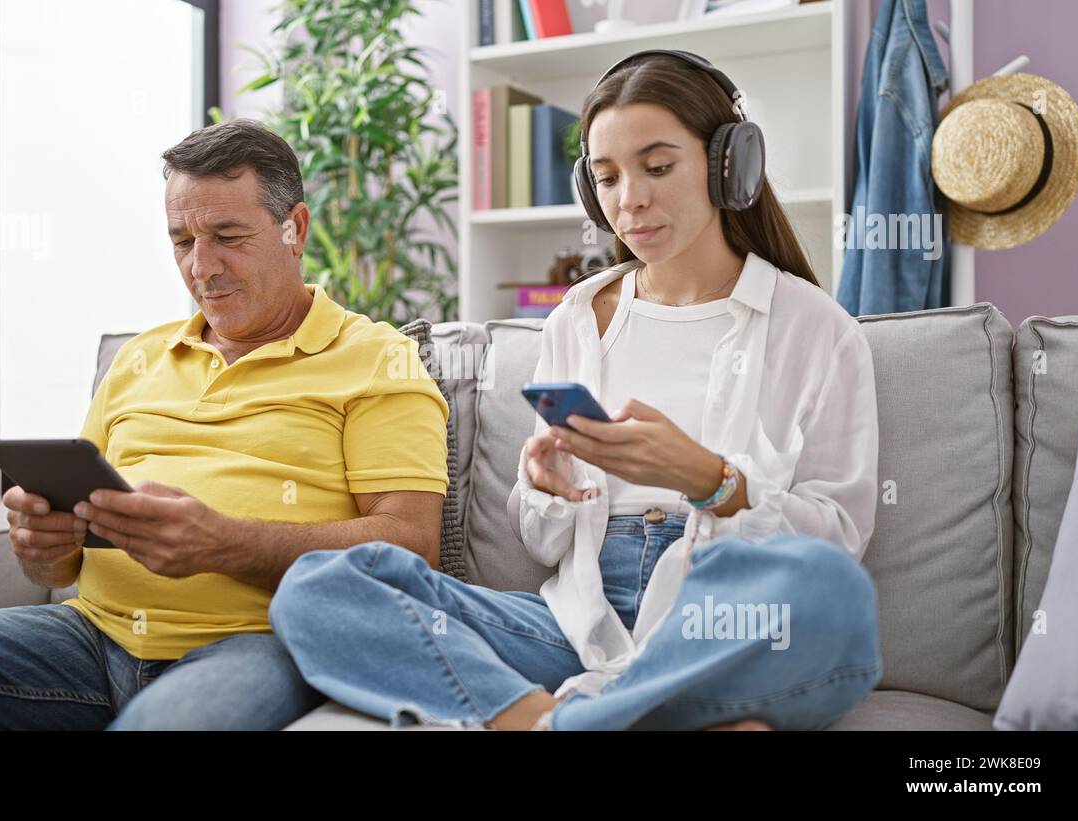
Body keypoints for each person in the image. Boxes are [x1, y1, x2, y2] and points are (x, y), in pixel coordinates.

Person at [268, 51, 882, 730]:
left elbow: (838, 535)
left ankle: (578, 717)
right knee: (317, 586)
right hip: (573, 620)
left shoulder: (817, 329)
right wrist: (549, 488)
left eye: (657, 167)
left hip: (718, 610)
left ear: (728, 165)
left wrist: (711, 479)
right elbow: (542, 541)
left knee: (833, 594)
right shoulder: (577, 319)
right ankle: (570, 716)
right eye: (608, 177)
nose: (631, 200)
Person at [0, 119, 449, 730]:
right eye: (182, 241)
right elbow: (62, 558)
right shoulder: (139, 357)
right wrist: (43, 543)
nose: (201, 267)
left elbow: (410, 548)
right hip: (84, 638)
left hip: (257, 641)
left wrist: (228, 542)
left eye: (228, 237)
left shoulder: (375, 358)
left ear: (294, 228)